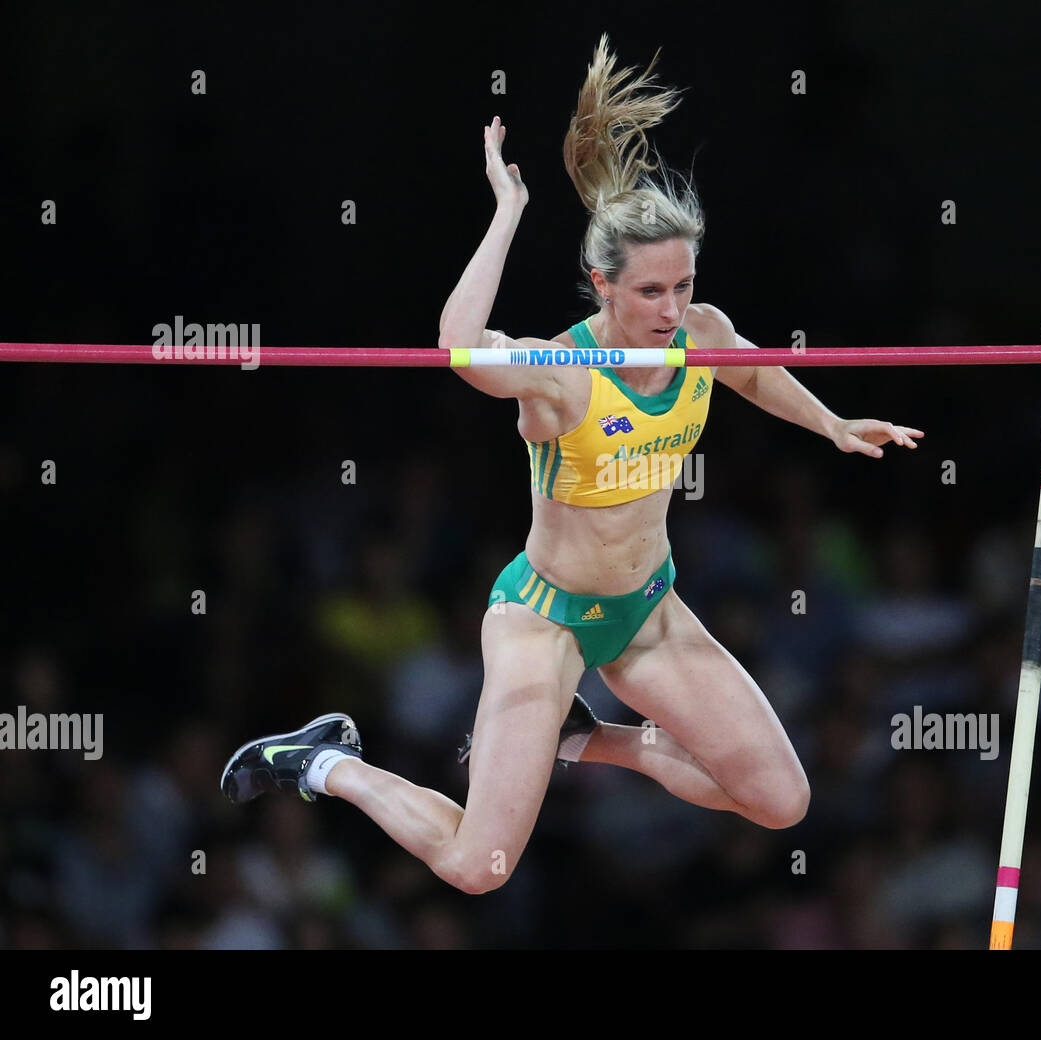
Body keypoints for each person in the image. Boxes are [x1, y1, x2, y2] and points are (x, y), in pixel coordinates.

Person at [221, 35, 923, 895]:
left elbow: (750, 369)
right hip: (545, 621)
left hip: (648, 612)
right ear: (602, 283)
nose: (672, 310)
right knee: (479, 869)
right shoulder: (561, 376)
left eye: (682, 286)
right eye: (650, 292)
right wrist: (507, 213)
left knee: (779, 800)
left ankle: (588, 738)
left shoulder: (701, 333)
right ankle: (329, 763)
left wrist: (833, 424)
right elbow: (456, 349)